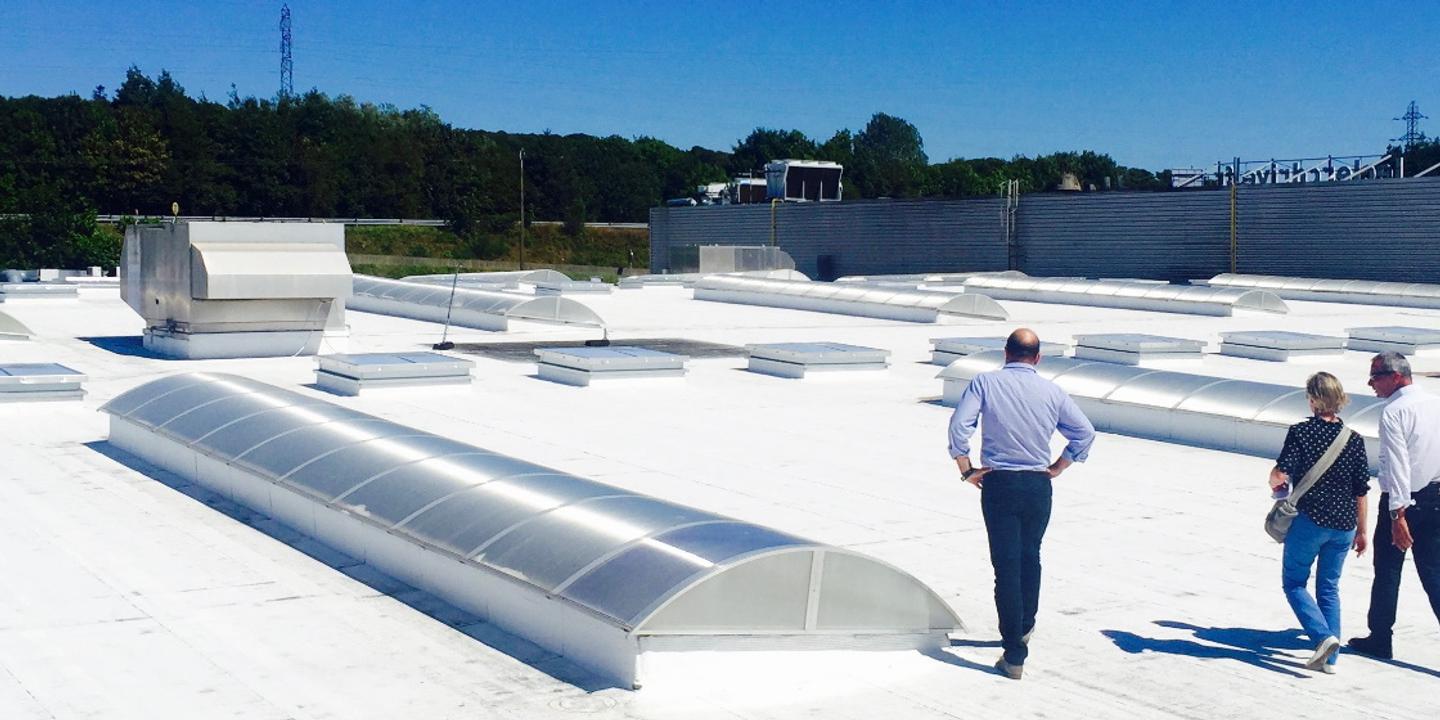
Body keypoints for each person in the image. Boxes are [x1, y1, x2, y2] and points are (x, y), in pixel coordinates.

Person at [947, 328, 1095, 680]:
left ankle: (1014, 653)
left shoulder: (985, 383)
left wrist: (965, 468)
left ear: (1006, 353)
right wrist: (1059, 466)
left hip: (998, 483)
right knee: (1031, 557)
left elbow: (959, 426)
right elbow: (1085, 432)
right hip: (1037, 485)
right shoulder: (1053, 392)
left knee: (1006, 566)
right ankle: (1025, 626)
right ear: (1038, 357)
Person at [1268, 372, 1370, 674]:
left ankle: (1323, 637)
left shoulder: (1301, 431)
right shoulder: (1354, 439)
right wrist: (1363, 531)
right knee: (1329, 588)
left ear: (1313, 399)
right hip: (1345, 524)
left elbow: (1280, 473)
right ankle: (1330, 660)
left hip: (1309, 521)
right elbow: (1360, 490)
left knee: (1294, 583)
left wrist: (1276, 486)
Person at [1348, 351, 1440, 659]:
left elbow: (1399, 466)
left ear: (1396, 377)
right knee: (1434, 573)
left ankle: (1380, 637)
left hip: (1403, 502)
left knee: (1387, 570)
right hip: (1436, 497)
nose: (1371, 383)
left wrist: (1397, 514)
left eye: (1376, 377)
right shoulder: (1435, 402)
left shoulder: (1394, 412)